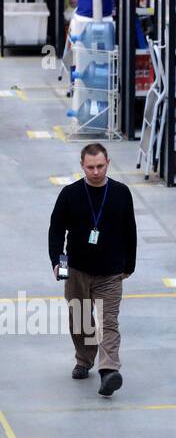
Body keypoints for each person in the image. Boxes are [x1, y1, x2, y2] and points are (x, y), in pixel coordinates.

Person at [46, 143, 137, 396]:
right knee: (81, 320)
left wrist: (129, 265)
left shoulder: (121, 193)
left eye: (100, 166)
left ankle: (109, 371)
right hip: (77, 269)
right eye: (90, 167)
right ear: (82, 166)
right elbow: (56, 230)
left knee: (109, 322)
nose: (95, 172)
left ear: (108, 162)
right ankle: (84, 360)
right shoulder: (70, 194)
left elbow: (130, 231)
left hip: (111, 271)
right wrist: (57, 261)